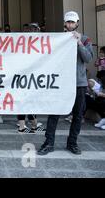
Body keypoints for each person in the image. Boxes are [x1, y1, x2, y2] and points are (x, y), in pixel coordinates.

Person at [37, 11, 94, 155]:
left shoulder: (85, 39)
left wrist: (79, 42)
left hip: (79, 83)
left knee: (77, 115)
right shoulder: (58, 39)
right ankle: (49, 143)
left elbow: (87, 58)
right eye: (68, 22)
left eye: (72, 22)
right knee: (54, 113)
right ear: (65, 23)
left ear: (77, 23)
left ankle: (72, 143)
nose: (70, 25)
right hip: (61, 83)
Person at [16, 23, 46, 133]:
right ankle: (23, 126)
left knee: (29, 101)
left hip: (29, 76)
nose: (37, 31)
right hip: (25, 76)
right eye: (36, 29)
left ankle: (32, 125)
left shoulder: (33, 42)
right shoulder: (24, 42)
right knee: (26, 101)